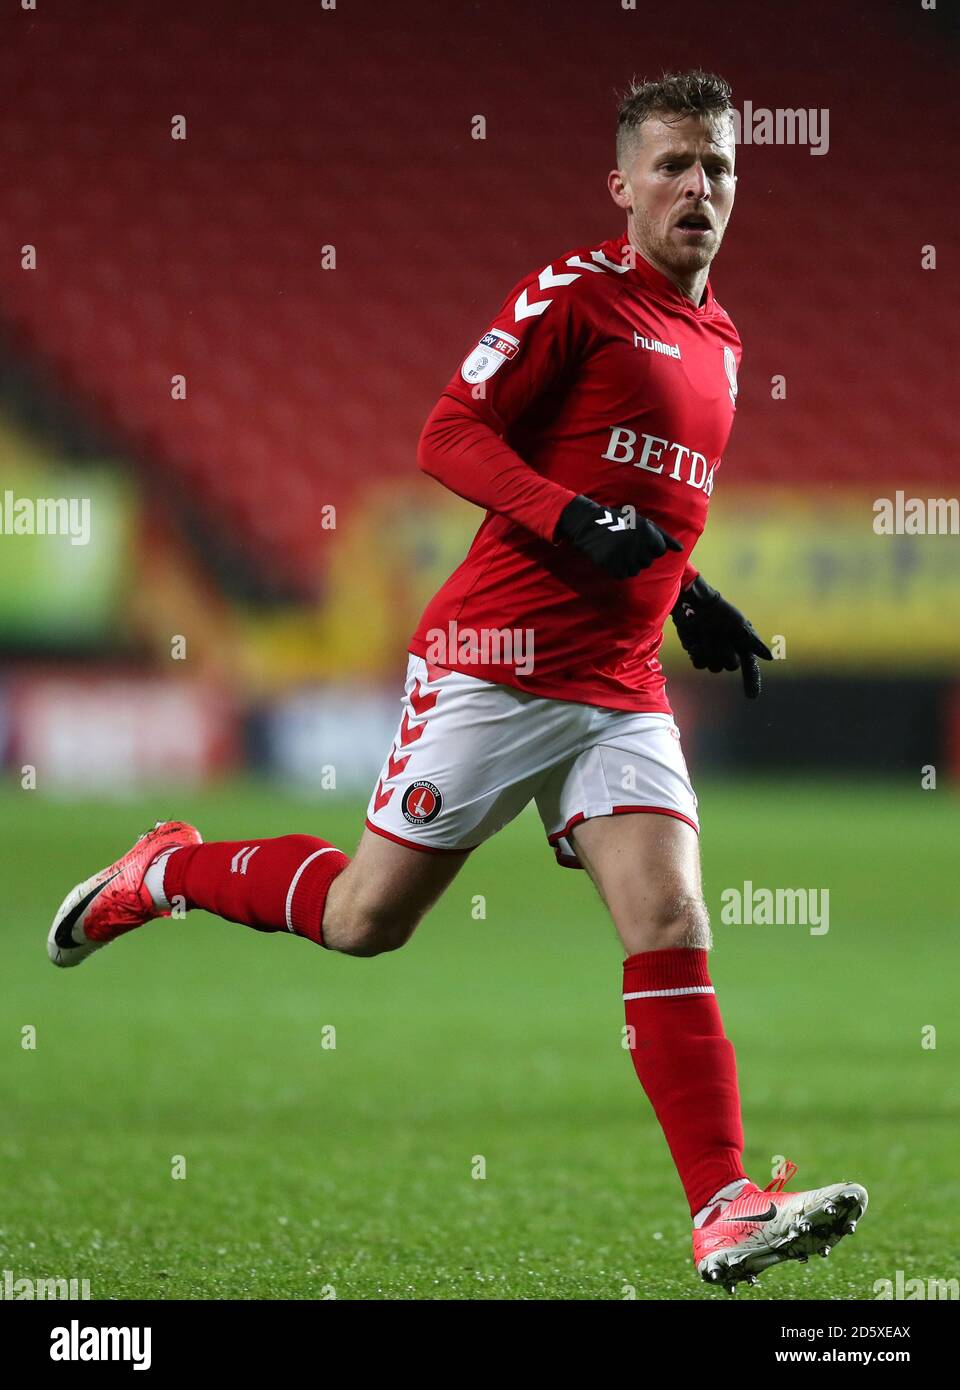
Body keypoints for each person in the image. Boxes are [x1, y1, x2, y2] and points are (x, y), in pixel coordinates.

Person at [47, 69, 866, 1293]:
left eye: (720, 167)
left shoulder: (725, 338)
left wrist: (690, 594)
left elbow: (650, 495)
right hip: (497, 664)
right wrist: (570, 519)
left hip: (619, 683)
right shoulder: (577, 295)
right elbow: (447, 432)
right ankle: (168, 866)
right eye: (674, 166)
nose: (699, 187)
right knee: (365, 921)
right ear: (624, 183)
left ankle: (723, 1205)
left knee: (671, 919)